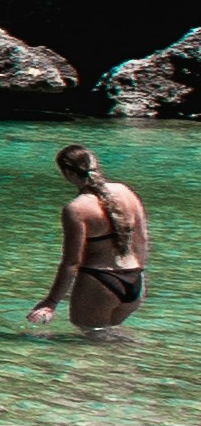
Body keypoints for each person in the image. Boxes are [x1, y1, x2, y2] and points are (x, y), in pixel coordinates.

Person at [33, 140, 150, 333]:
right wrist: (138, 273)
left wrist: (51, 302)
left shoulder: (76, 209)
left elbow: (71, 262)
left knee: (91, 340)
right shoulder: (124, 191)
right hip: (135, 279)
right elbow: (142, 238)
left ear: (68, 173)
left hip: (100, 281)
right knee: (110, 337)